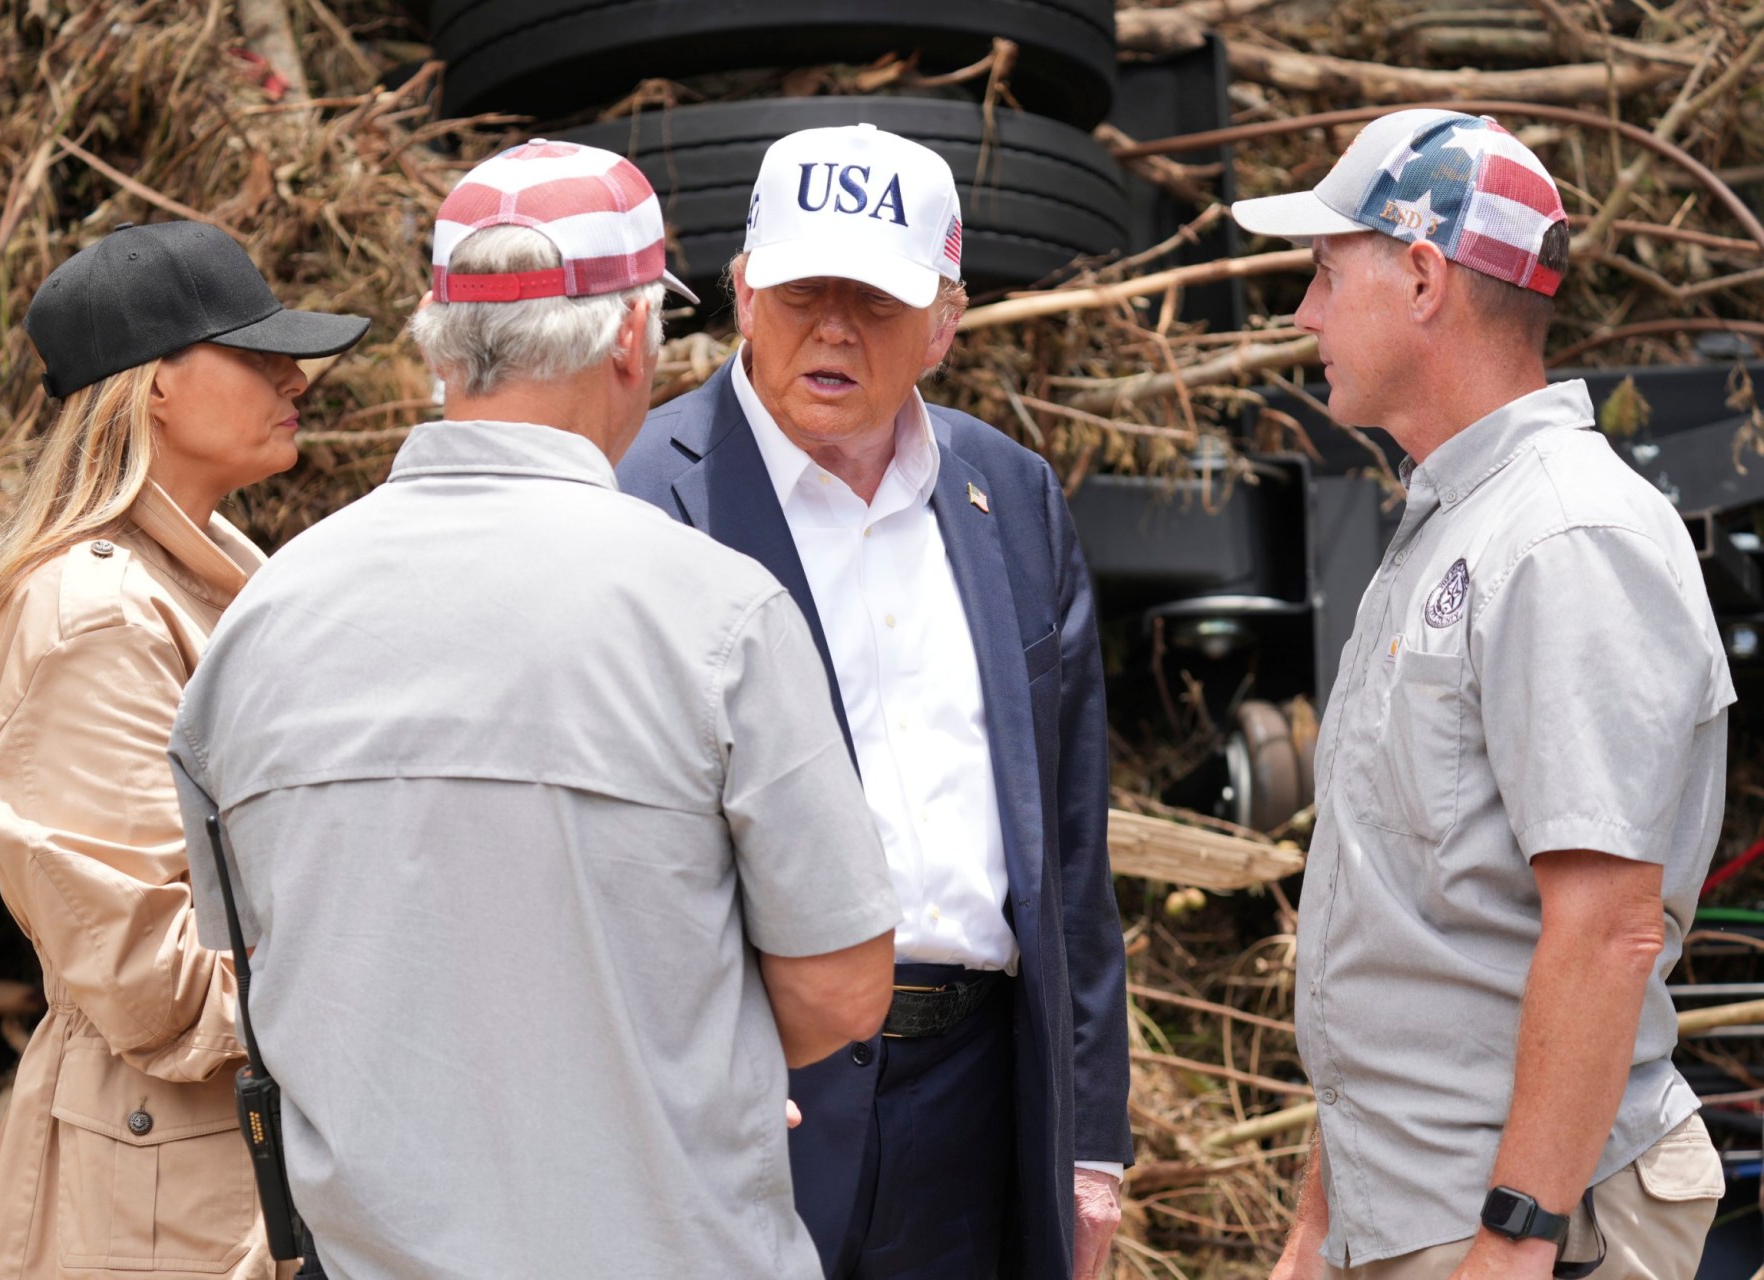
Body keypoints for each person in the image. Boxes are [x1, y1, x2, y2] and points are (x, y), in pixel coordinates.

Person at [167, 140, 901, 1278]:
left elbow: (258, 967)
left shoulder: (263, 619)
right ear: (628, 336)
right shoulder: (717, 612)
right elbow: (844, 986)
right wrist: (681, 1054)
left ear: (439, 338)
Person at [618, 122, 1134, 1280]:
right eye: (805, 289)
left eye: (878, 298)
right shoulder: (644, 498)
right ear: (743, 292)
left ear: (947, 322)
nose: (835, 327)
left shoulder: (1010, 494)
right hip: (752, 1093)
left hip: (979, 1099)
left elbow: (1070, 849)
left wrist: (1090, 1137)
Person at [1230, 108, 1732, 1280]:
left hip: (1513, 1230)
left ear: (1419, 277)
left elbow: (1608, 926)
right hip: (1417, 1211)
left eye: (1322, 270)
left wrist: (1516, 1237)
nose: (1302, 313)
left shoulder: (1565, 535)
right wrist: (1320, 1218)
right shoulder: (1456, 531)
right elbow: (1415, 929)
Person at [0, 221, 369, 1278]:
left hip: (213, 1160)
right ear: (156, 383)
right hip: (170, 1198)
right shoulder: (94, 613)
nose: (293, 374)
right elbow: (144, 970)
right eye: (257, 352)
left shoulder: (202, 576)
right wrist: (376, 995)